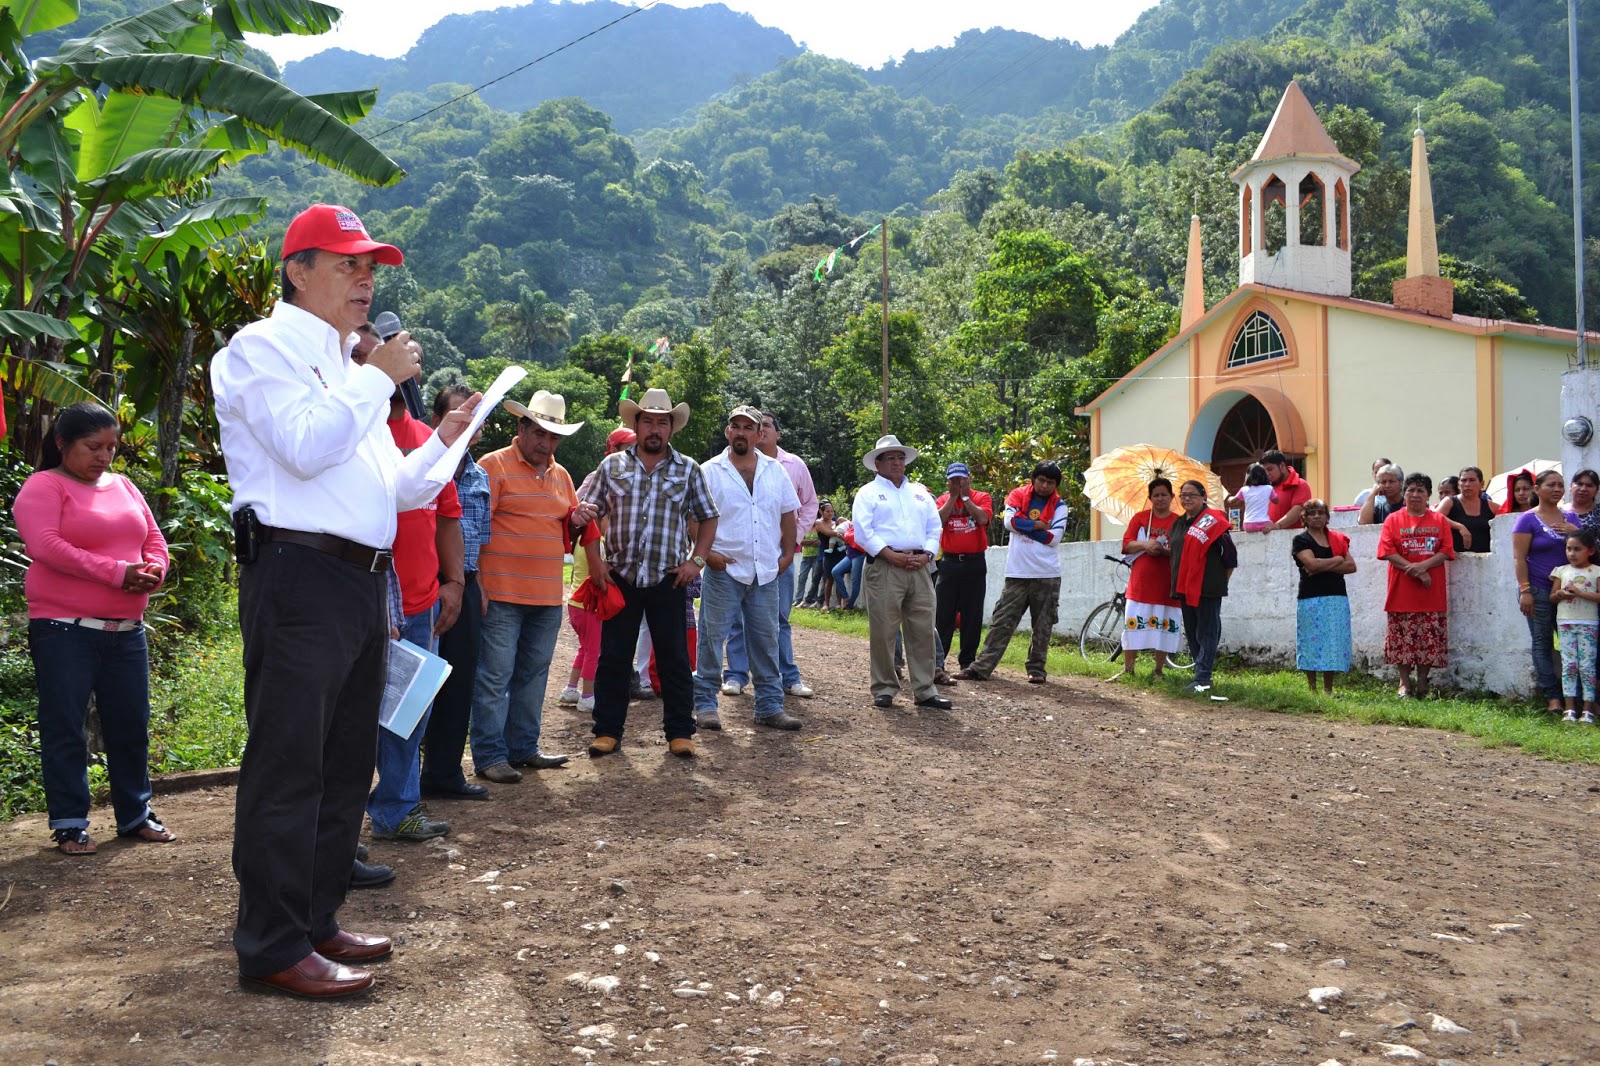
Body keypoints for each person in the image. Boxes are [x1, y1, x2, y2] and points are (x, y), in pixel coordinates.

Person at [212, 203, 481, 999]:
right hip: (297, 575)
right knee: (289, 763)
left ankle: (315, 918)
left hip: (363, 579)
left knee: (341, 764)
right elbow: (302, 450)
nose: (366, 281)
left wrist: (446, 438)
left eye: (372, 267)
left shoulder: (345, 364)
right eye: (349, 264)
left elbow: (392, 488)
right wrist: (376, 378)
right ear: (298, 270)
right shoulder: (260, 350)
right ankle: (269, 943)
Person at [14, 402, 172, 856]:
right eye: (93, 447)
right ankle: (69, 823)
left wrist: (154, 569)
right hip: (64, 630)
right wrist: (117, 572)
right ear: (63, 444)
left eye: (111, 447)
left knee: (131, 724)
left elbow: (153, 537)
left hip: (127, 630)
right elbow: (47, 547)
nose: (104, 457)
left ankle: (135, 814)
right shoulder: (44, 486)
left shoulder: (123, 485)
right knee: (65, 725)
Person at [579, 388, 719, 757]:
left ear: (671, 428)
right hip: (620, 575)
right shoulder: (612, 466)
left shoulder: (689, 469)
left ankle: (680, 733)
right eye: (648, 421)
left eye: (662, 422)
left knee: (674, 658)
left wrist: (697, 561)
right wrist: (595, 561)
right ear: (636, 425)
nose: (654, 429)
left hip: (669, 577)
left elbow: (708, 517)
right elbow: (588, 513)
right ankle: (607, 731)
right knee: (613, 657)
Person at [365, 338, 465, 844]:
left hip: (423, 603)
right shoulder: (358, 434)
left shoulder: (428, 437)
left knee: (410, 711)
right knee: (359, 713)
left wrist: (455, 581)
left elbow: (447, 517)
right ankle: (351, 815)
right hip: (365, 601)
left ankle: (396, 807)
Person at [470, 389, 592, 783]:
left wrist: (576, 519)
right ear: (521, 427)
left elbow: (564, 528)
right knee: (495, 676)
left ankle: (523, 747)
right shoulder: (493, 466)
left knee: (534, 674)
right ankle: (490, 755)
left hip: (545, 595)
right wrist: (476, 583)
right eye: (540, 433)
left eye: (554, 436)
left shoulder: (562, 476)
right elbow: (474, 528)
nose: (547, 443)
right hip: (501, 592)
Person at [695, 405, 801, 732]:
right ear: (728, 432)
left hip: (766, 570)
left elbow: (788, 515)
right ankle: (706, 705)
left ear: (759, 434)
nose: (741, 432)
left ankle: (769, 706)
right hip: (723, 568)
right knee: (711, 638)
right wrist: (707, 553)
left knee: (766, 640)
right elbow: (691, 516)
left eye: (748, 427)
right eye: (735, 426)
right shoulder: (709, 470)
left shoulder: (775, 470)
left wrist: (786, 555)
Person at [419, 384, 493, 802]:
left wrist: (475, 583)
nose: (469, 427)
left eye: (476, 420)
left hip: (464, 584)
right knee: (417, 683)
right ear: (438, 420)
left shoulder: (480, 475)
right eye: (461, 416)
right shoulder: (422, 464)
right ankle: (403, 782)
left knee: (459, 679)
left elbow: (480, 537)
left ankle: (444, 774)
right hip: (424, 583)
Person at [721, 412, 816, 699]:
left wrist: (792, 543)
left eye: (765, 427)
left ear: (776, 433)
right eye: (754, 427)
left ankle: (786, 675)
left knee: (779, 619)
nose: (760, 432)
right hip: (740, 555)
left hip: (778, 557)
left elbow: (808, 505)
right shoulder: (729, 465)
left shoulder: (792, 465)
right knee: (737, 618)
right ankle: (736, 675)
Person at [852, 434, 950, 709]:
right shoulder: (868, 493)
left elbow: (935, 527)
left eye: (900, 457)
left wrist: (928, 553)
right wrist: (889, 554)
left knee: (922, 628)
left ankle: (925, 688)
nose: (897, 462)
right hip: (885, 566)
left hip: (920, 565)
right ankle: (884, 686)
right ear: (878, 464)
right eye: (891, 458)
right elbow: (862, 531)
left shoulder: (919, 492)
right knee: (884, 629)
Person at [955, 461, 1069, 686]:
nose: (1045, 486)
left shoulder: (1060, 505)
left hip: (1047, 573)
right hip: (1018, 572)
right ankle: (981, 667)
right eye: (1041, 480)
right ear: (1033, 479)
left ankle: (1037, 669)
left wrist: (1024, 524)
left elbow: (1054, 538)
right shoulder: (1017, 495)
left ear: (1056, 485)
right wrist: (1039, 525)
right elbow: (1009, 522)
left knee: (1043, 625)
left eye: (1050, 482)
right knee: (1002, 621)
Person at [561, 427, 636, 712]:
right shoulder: (598, 480)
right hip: (590, 599)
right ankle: (588, 696)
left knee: (586, 647)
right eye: (627, 447)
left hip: (576, 600)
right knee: (596, 648)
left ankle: (571, 689)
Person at [1379, 472, 1456, 699]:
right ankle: (1404, 684)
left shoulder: (1439, 520)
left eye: (1420, 490)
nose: (1415, 494)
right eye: (1410, 490)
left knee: (1428, 641)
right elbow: (1387, 551)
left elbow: (1445, 551)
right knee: (1402, 641)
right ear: (1404, 494)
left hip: (1431, 593)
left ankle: (1423, 682)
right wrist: (1413, 569)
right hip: (1401, 593)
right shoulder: (1393, 520)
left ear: (1429, 496)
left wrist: (1422, 567)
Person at [1512, 469, 1577, 713]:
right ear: (1537, 489)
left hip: (1569, 593)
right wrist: (1525, 590)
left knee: (1572, 644)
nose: (1558, 489)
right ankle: (1553, 698)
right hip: (1537, 589)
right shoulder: (1527, 519)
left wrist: (1575, 532)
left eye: (1561, 485)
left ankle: (1576, 696)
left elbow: (1584, 550)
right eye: (1551, 484)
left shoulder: (1571, 518)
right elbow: (1519, 558)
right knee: (1542, 644)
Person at [1169, 481, 1236, 694]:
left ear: (1203, 496)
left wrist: (1220, 581)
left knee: (1208, 631)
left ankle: (1204, 677)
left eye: (1192, 495)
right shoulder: (1179, 523)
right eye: (1183, 495)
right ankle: (1199, 673)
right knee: (1192, 632)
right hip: (1184, 585)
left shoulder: (1214, 521)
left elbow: (1230, 557)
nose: (1187, 498)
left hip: (1207, 587)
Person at [1117, 477, 1182, 678]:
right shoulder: (1140, 519)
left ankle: (1158, 669)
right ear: (1150, 498)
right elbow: (1126, 545)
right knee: (1133, 625)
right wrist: (1146, 545)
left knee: (1162, 626)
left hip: (1166, 584)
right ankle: (1129, 669)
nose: (1160, 499)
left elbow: (1182, 551)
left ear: (1172, 497)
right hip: (1141, 584)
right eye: (1156, 495)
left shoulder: (1179, 521)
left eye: (1164, 495)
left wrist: (1163, 551)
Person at [934, 461, 994, 677]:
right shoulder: (942, 499)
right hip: (949, 563)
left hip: (974, 562)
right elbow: (938, 521)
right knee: (943, 614)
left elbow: (982, 519)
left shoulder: (982, 497)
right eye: (954, 480)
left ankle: (967, 662)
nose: (958, 483)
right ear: (948, 481)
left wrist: (966, 497)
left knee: (972, 614)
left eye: (962, 479)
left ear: (969, 479)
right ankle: (938, 663)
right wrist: (952, 497)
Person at [1292, 500, 1357, 695]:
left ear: (1327, 517)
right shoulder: (1301, 540)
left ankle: (1328, 689)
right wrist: (1337, 560)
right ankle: (1312, 688)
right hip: (1311, 598)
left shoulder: (1337, 539)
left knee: (1333, 643)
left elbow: (1351, 566)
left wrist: (1323, 564)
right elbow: (1311, 565)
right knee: (1310, 642)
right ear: (1304, 518)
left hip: (1336, 597)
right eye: (1312, 513)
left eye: (1321, 512)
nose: (1317, 516)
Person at [1549, 530, 1600, 723]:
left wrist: (1579, 593)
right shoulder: (1560, 571)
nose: (1572, 553)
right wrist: (1561, 594)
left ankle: (1587, 709)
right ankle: (1569, 708)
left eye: (1577, 549)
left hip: (1589, 623)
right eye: (1569, 549)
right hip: (1565, 623)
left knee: (1587, 666)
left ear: (1590, 551)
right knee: (1569, 665)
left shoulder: (1596, 571)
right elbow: (1552, 597)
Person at [1436, 466, 1495, 554]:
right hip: (1455, 561)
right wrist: (1459, 526)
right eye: (1463, 480)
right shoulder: (1450, 502)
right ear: (1459, 484)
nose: (1467, 484)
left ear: (1482, 484)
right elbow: (1434, 517)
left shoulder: (1491, 506)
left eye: (1472, 480)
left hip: (1485, 562)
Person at [801, 501, 842, 607]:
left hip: (839, 553)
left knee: (839, 579)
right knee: (827, 579)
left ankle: (839, 604)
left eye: (832, 511)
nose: (830, 513)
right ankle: (825, 603)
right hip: (826, 554)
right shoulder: (819, 522)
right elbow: (828, 533)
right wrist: (841, 533)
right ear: (821, 512)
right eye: (827, 511)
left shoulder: (835, 522)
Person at [1262, 449, 1311, 530]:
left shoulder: (1300, 484)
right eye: (1264, 471)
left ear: (1282, 466)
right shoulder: (1267, 488)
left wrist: (1277, 525)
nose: (1267, 474)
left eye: (1270, 469)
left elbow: (1298, 511)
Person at [1225, 464, 1272, 532]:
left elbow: (1231, 501)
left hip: (1248, 525)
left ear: (1248, 476)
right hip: (1263, 524)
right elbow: (1276, 500)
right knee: (1272, 525)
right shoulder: (1269, 488)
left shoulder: (1244, 489)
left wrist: (1229, 497)